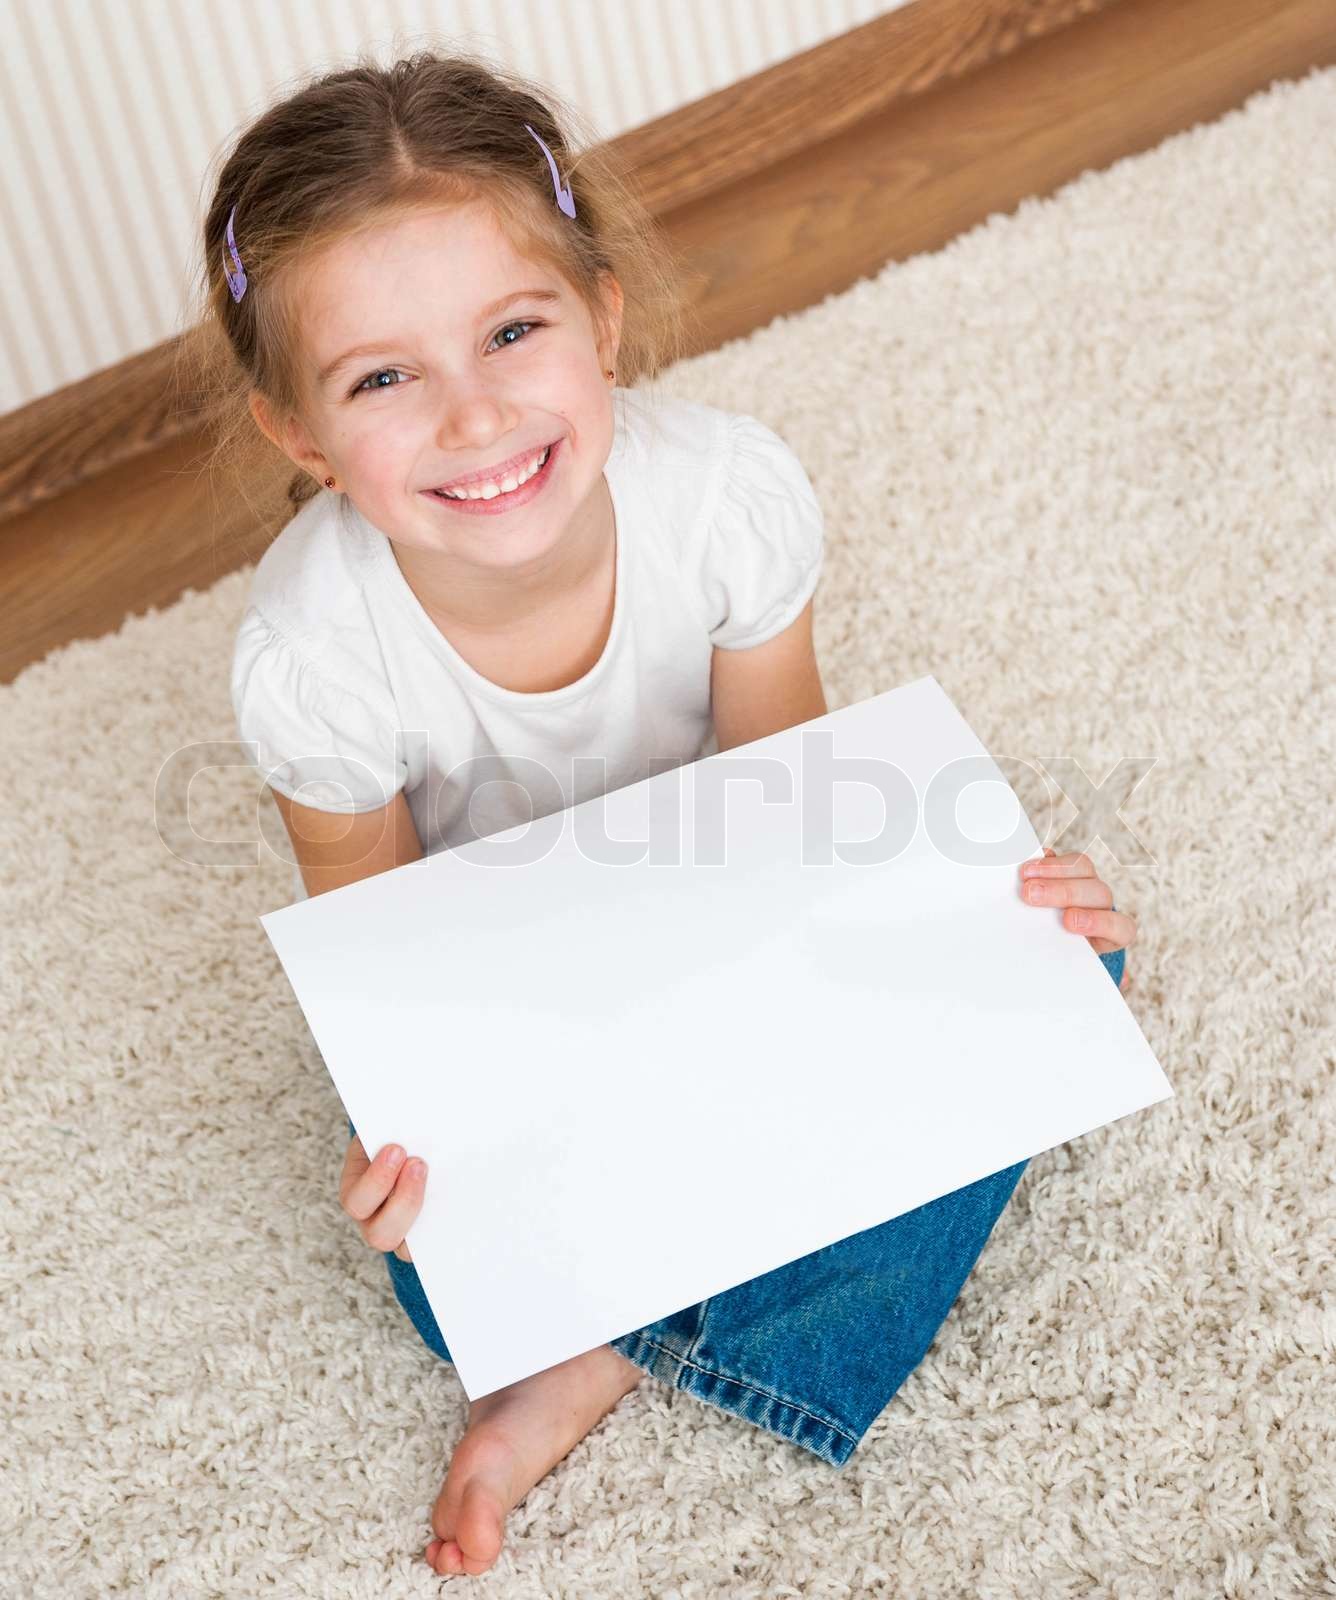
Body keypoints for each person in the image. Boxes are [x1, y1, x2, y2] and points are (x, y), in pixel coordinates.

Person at [183, 49, 1138, 1581]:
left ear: (604, 322)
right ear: (301, 437)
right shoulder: (311, 661)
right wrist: (409, 1141)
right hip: (525, 1004)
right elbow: (390, 961)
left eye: (512, 331)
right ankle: (638, 1321)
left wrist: (958, 922)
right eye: (380, 379)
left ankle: (607, 1349)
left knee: (1063, 970)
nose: (474, 415)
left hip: (729, 919)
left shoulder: (727, 499)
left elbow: (792, 817)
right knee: (427, 1255)